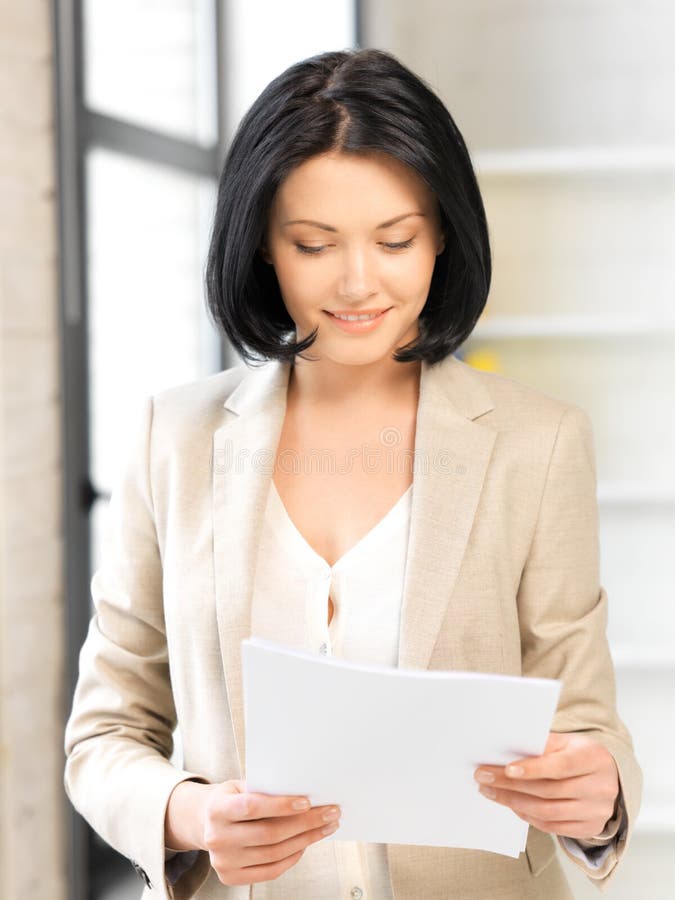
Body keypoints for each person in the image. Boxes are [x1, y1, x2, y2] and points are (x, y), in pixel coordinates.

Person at [64, 47, 641, 900]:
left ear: (442, 231)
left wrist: (597, 798)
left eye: (396, 239)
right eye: (313, 244)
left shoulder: (539, 442)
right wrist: (189, 813)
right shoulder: (174, 439)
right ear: (263, 243)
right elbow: (104, 734)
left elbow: (585, 721)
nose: (358, 282)